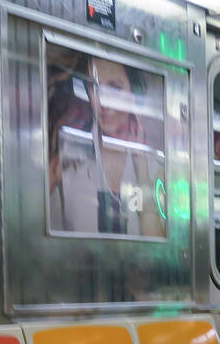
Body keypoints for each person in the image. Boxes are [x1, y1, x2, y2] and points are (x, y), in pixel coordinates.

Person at [47, 53, 165, 237]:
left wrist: (141, 169)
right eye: (94, 88)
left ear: (134, 95)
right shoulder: (67, 157)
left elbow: (158, 247)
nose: (103, 101)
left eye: (115, 88)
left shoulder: (155, 168)